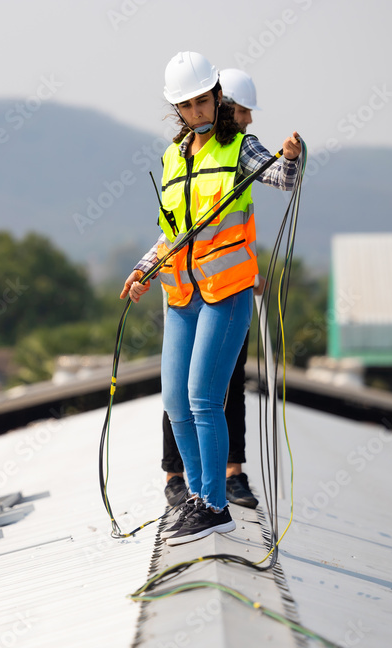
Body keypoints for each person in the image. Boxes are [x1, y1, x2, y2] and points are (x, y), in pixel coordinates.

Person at [120, 52, 301, 545]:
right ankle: (198, 499)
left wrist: (290, 158)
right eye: (186, 104)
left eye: (203, 100)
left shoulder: (239, 145)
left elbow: (282, 179)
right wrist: (142, 271)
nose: (196, 110)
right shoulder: (173, 158)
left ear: (217, 98)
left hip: (227, 293)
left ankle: (216, 505)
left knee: (204, 396)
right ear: (175, 109)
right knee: (175, 400)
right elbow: (169, 236)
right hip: (180, 295)